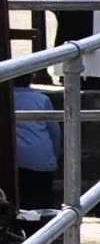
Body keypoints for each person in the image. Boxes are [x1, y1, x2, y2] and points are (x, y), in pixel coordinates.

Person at [13, 73, 61, 210]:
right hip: (41, 159)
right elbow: (55, 132)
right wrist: (54, 157)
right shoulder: (42, 99)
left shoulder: (6, 99)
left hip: (13, 160)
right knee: (42, 202)